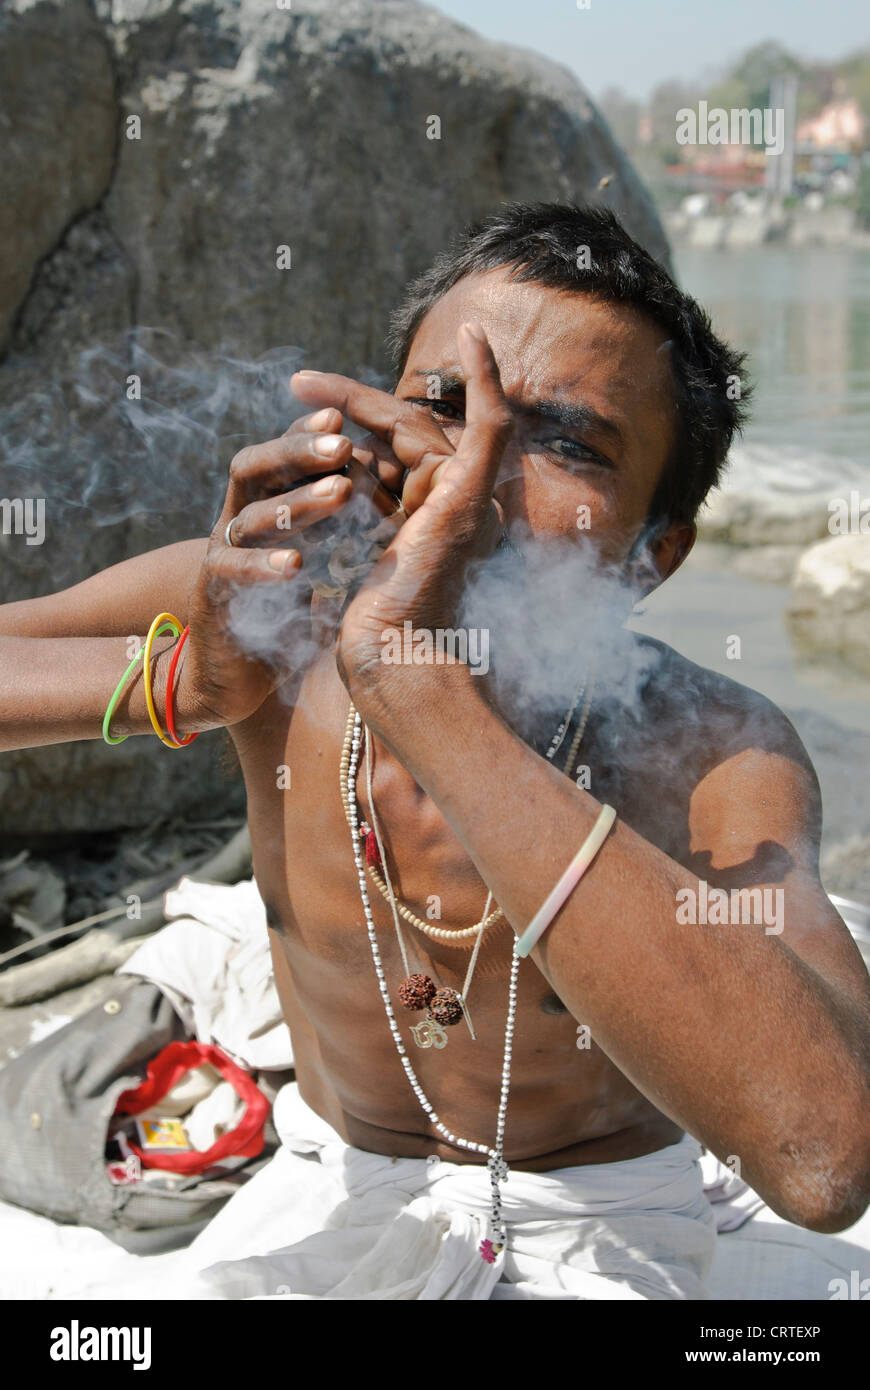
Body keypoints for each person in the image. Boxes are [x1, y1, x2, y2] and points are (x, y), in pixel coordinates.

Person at [2, 203, 868, 1300]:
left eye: (562, 443)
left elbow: (825, 1154)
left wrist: (415, 683)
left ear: (654, 556)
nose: (471, 469)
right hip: (330, 1179)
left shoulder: (708, 748)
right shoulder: (274, 614)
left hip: (602, 1228)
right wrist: (187, 682)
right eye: (443, 406)